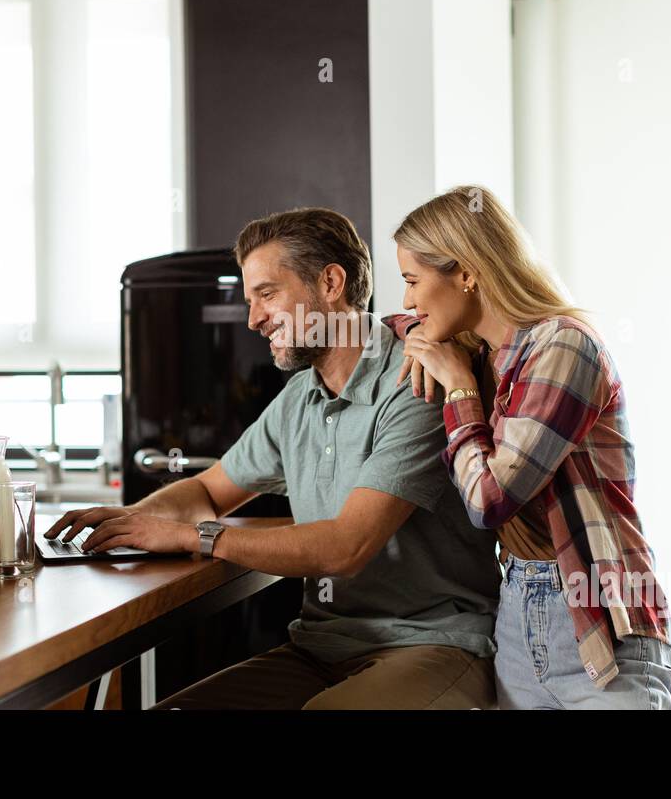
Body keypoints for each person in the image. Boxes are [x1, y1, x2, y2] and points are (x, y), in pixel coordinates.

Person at [46, 207, 501, 709]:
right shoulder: (299, 398)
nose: (253, 319)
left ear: (330, 283)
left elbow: (346, 547)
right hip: (320, 647)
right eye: (250, 299)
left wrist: (191, 536)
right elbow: (207, 490)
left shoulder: (415, 381)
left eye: (267, 294)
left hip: (430, 643)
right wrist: (132, 520)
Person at [384, 185, 671, 709]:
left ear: (467, 272)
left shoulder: (564, 346)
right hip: (517, 609)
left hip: (599, 614)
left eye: (412, 281)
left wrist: (460, 389)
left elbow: (490, 499)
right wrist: (417, 332)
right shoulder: (480, 348)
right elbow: (387, 324)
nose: (407, 299)